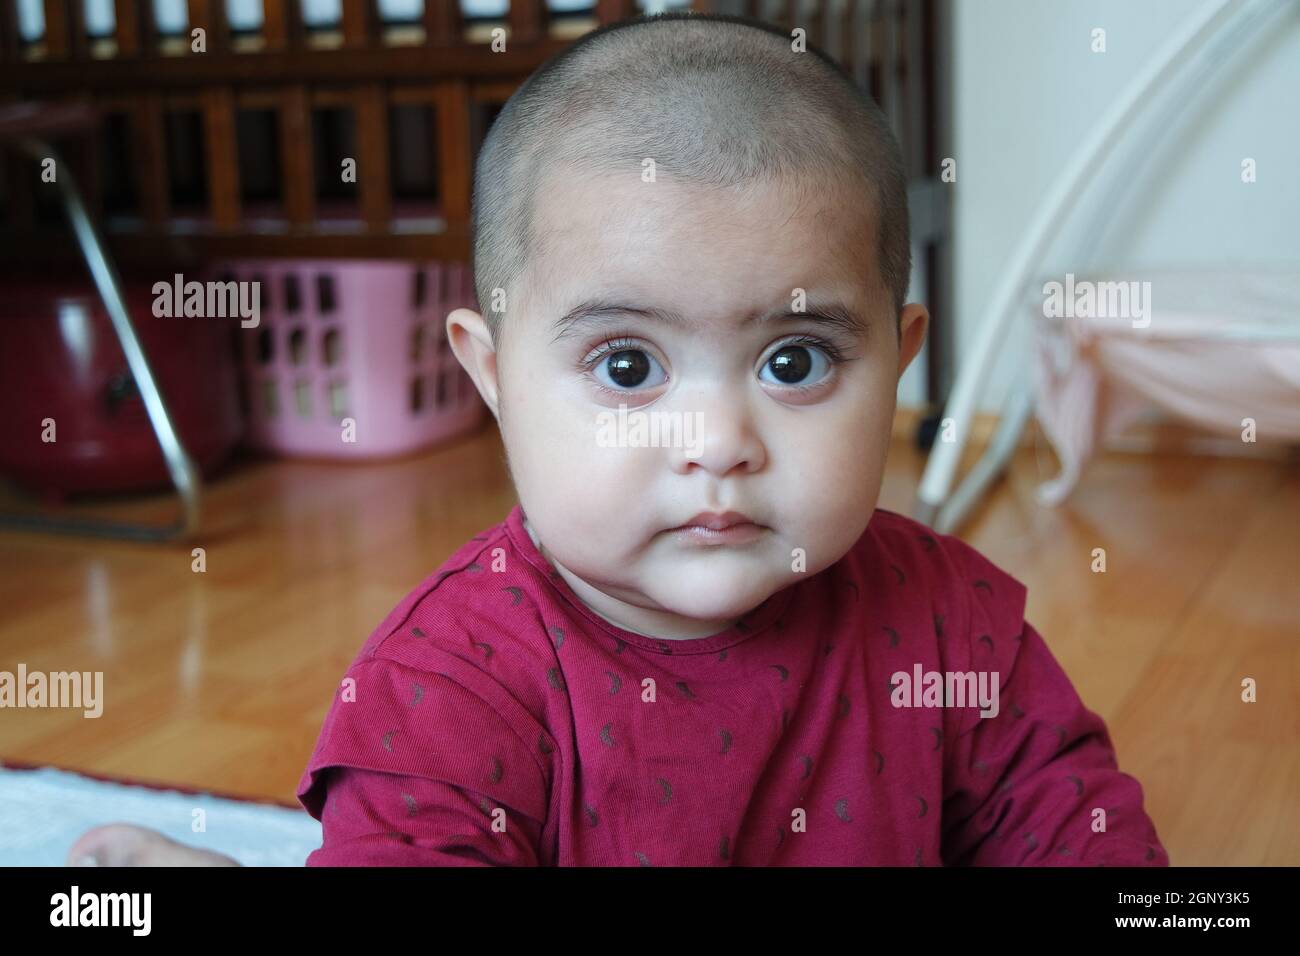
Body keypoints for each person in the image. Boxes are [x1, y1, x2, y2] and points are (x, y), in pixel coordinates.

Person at [69, 11, 1167, 867]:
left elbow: (1069, 816)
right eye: (628, 367)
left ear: (898, 357)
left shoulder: (951, 625)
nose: (718, 441)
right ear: (491, 375)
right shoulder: (444, 686)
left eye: (795, 361)